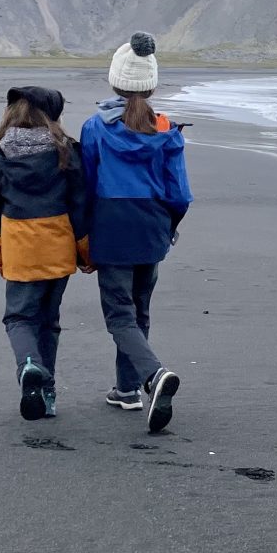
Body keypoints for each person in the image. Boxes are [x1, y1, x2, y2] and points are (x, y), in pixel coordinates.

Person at [80, 32, 192, 433]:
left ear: (115, 82)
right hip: (152, 226)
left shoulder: (95, 128)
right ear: (152, 84)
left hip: (112, 225)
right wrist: (169, 228)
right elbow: (180, 193)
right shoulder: (166, 131)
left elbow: (86, 185)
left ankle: (151, 375)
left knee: (119, 314)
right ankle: (126, 389)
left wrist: (84, 232)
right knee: (139, 309)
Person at [0, 85, 89, 421]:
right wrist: (85, 251)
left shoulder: (0, 153)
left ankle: (29, 366)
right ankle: (48, 392)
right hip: (58, 243)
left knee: (19, 317)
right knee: (49, 319)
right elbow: (80, 205)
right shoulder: (66, 151)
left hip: (19, 244)